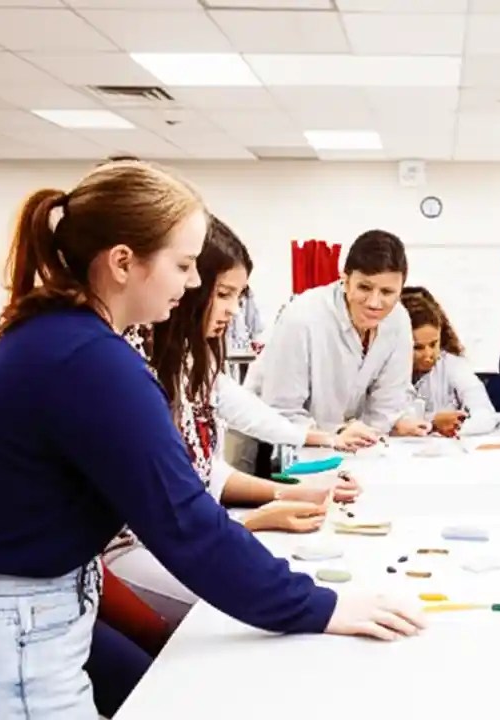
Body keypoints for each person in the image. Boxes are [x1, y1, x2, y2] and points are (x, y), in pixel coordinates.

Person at [0, 161, 424, 718]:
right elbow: (184, 521)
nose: (193, 283)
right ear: (123, 263)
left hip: (8, 617)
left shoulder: (63, 335)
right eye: (184, 265)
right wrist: (322, 606)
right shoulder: (90, 359)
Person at [107, 215, 361, 623]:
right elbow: (172, 508)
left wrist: (294, 490)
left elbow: (208, 469)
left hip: (171, 539)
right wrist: (255, 521)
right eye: (223, 294)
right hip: (130, 549)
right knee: (244, 609)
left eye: (239, 297)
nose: (233, 310)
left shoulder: (190, 361)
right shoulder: (132, 366)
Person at [243, 229, 425, 467]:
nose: (374, 302)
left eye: (387, 292)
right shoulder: (302, 317)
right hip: (271, 443)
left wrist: (364, 438)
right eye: (364, 287)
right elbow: (282, 410)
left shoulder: (398, 320)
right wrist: (336, 435)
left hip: (340, 450)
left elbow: (386, 406)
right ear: (345, 280)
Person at [400, 287, 498, 437]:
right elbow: (381, 419)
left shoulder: (452, 365)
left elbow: (484, 412)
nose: (428, 354)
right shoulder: (384, 374)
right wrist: (432, 423)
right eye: (417, 347)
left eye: (433, 344)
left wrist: (459, 428)